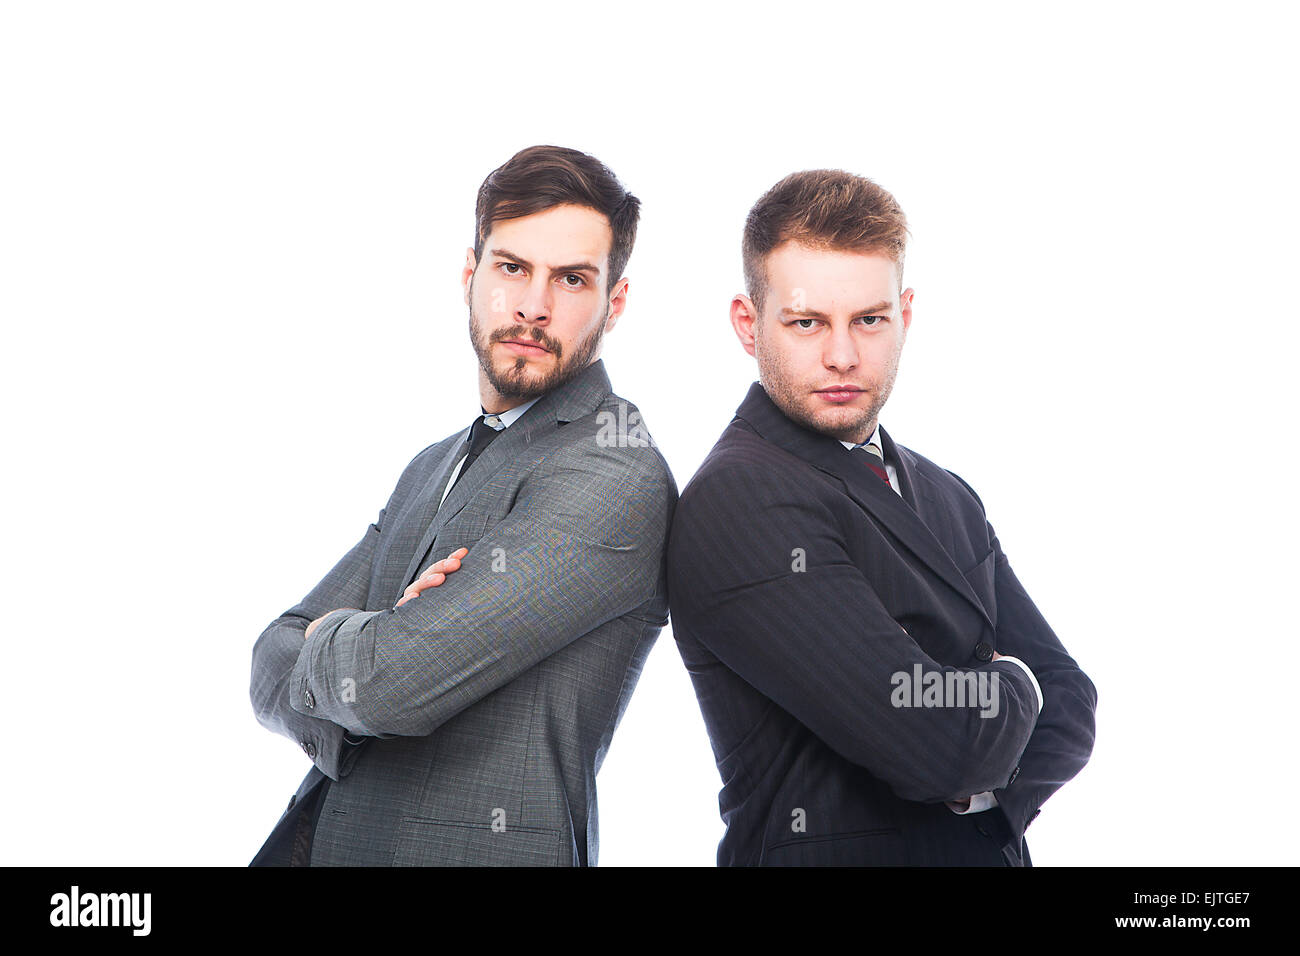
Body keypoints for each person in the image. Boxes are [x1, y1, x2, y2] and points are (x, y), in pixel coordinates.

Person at [249, 145, 675, 866]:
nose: (534, 305)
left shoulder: (614, 466)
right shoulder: (432, 464)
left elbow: (384, 686)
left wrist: (358, 647)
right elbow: (267, 659)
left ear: (615, 302)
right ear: (471, 274)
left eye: (571, 279)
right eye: (512, 268)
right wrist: (378, 634)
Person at [666, 169, 1096, 866]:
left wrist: (979, 751)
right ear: (749, 325)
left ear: (905, 315)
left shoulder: (946, 492)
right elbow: (941, 745)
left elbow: (1073, 706)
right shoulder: (743, 497)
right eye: (806, 323)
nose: (842, 355)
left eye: (869, 319)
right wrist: (1016, 680)